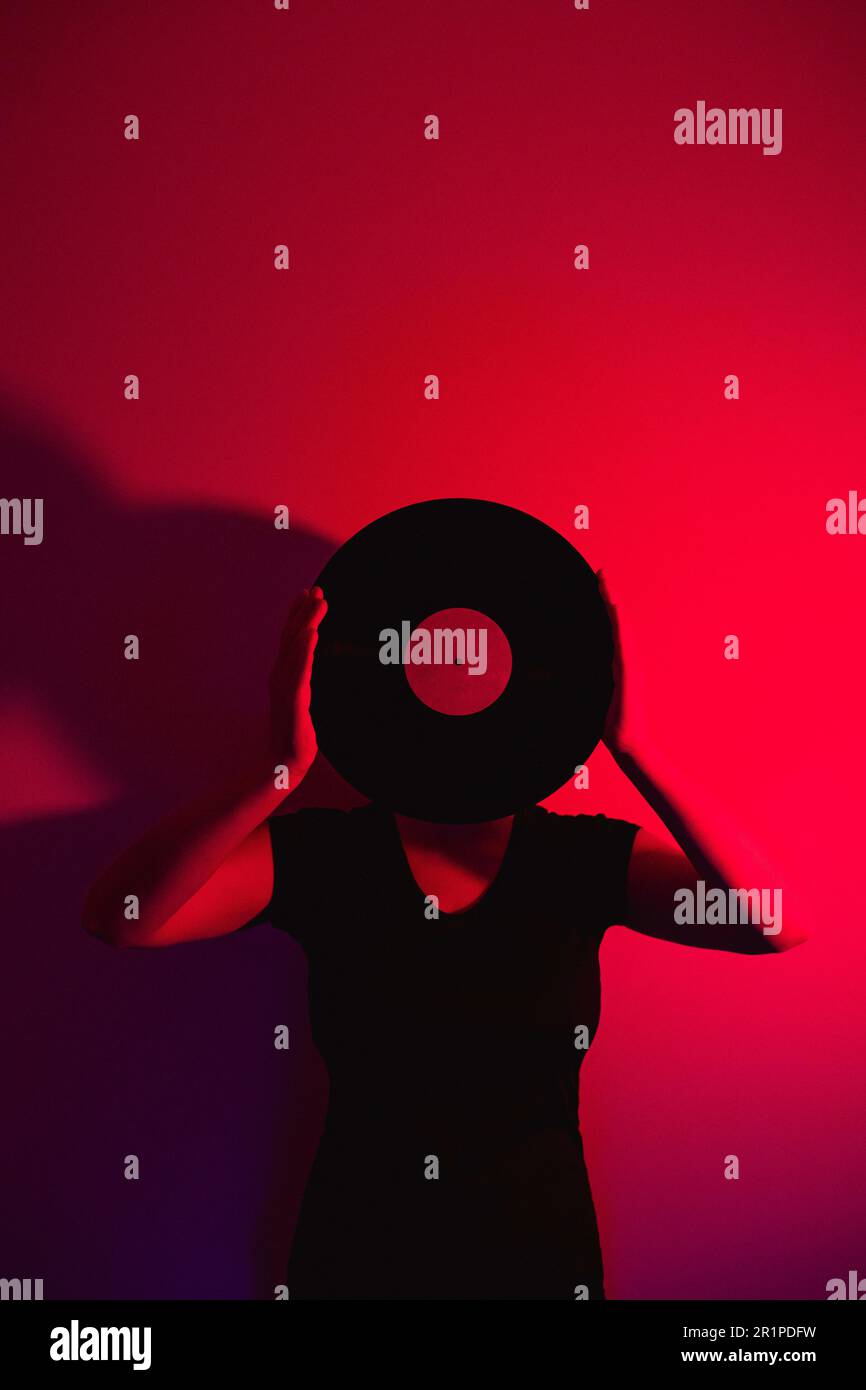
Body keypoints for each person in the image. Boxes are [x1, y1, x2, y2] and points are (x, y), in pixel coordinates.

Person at [82, 579, 804, 1300]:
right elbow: (124, 919)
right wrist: (278, 772)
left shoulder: (583, 862)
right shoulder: (327, 855)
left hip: (542, 1268)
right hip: (357, 1264)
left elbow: (777, 924)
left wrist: (637, 747)